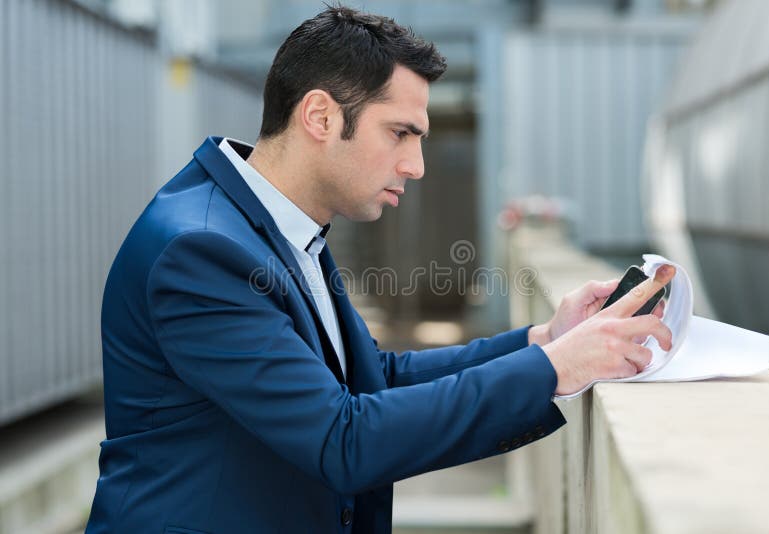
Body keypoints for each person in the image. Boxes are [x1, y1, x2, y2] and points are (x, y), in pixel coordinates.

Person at [86, 6, 673, 533]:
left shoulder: (276, 224)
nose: (415, 165)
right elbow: (342, 437)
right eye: (400, 133)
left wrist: (544, 340)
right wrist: (554, 370)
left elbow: (370, 378)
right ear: (319, 116)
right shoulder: (202, 251)